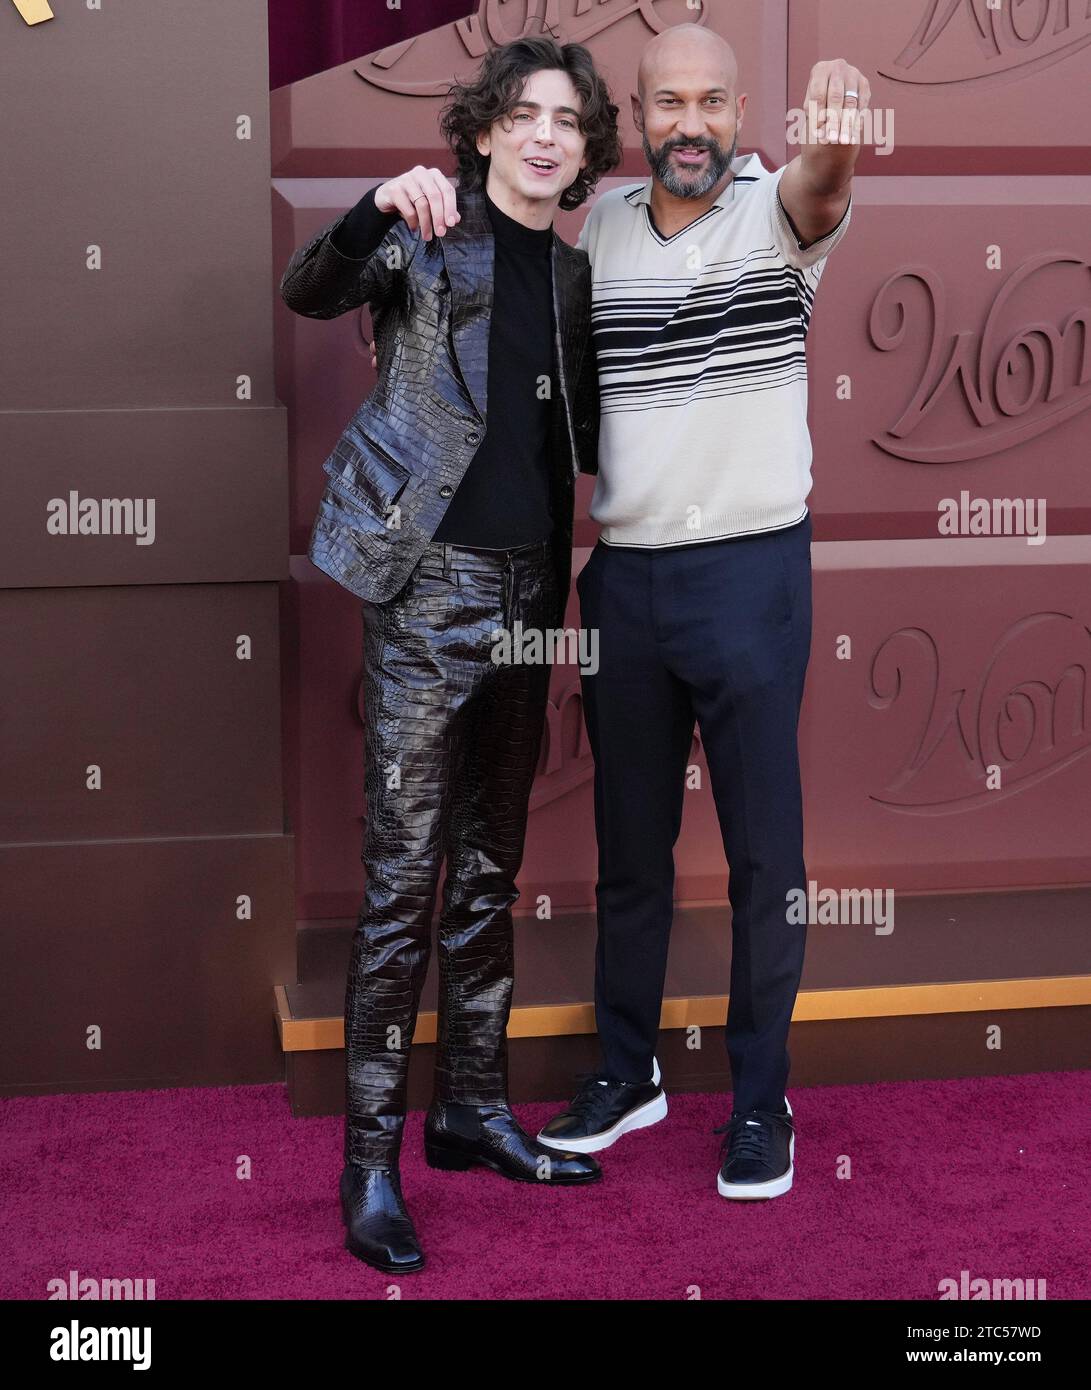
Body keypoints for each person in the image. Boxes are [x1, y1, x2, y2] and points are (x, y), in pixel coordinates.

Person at [279, 36, 621, 1272]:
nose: (542, 135)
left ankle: (470, 1111)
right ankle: (368, 1161)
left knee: (489, 867)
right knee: (398, 886)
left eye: (566, 121)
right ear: (480, 133)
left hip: (531, 589)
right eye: (520, 115)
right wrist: (373, 207)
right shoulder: (423, 228)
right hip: (425, 591)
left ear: (585, 149)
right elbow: (309, 291)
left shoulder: (576, 276)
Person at [536, 25, 863, 1201]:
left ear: (739, 112)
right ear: (635, 111)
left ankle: (760, 1099)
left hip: (749, 576)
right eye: (667, 102)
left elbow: (824, 184)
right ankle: (629, 1075)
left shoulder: (779, 211)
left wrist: (833, 144)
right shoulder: (606, 225)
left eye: (711, 103)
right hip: (624, 579)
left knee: (764, 856)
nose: (689, 124)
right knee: (628, 855)